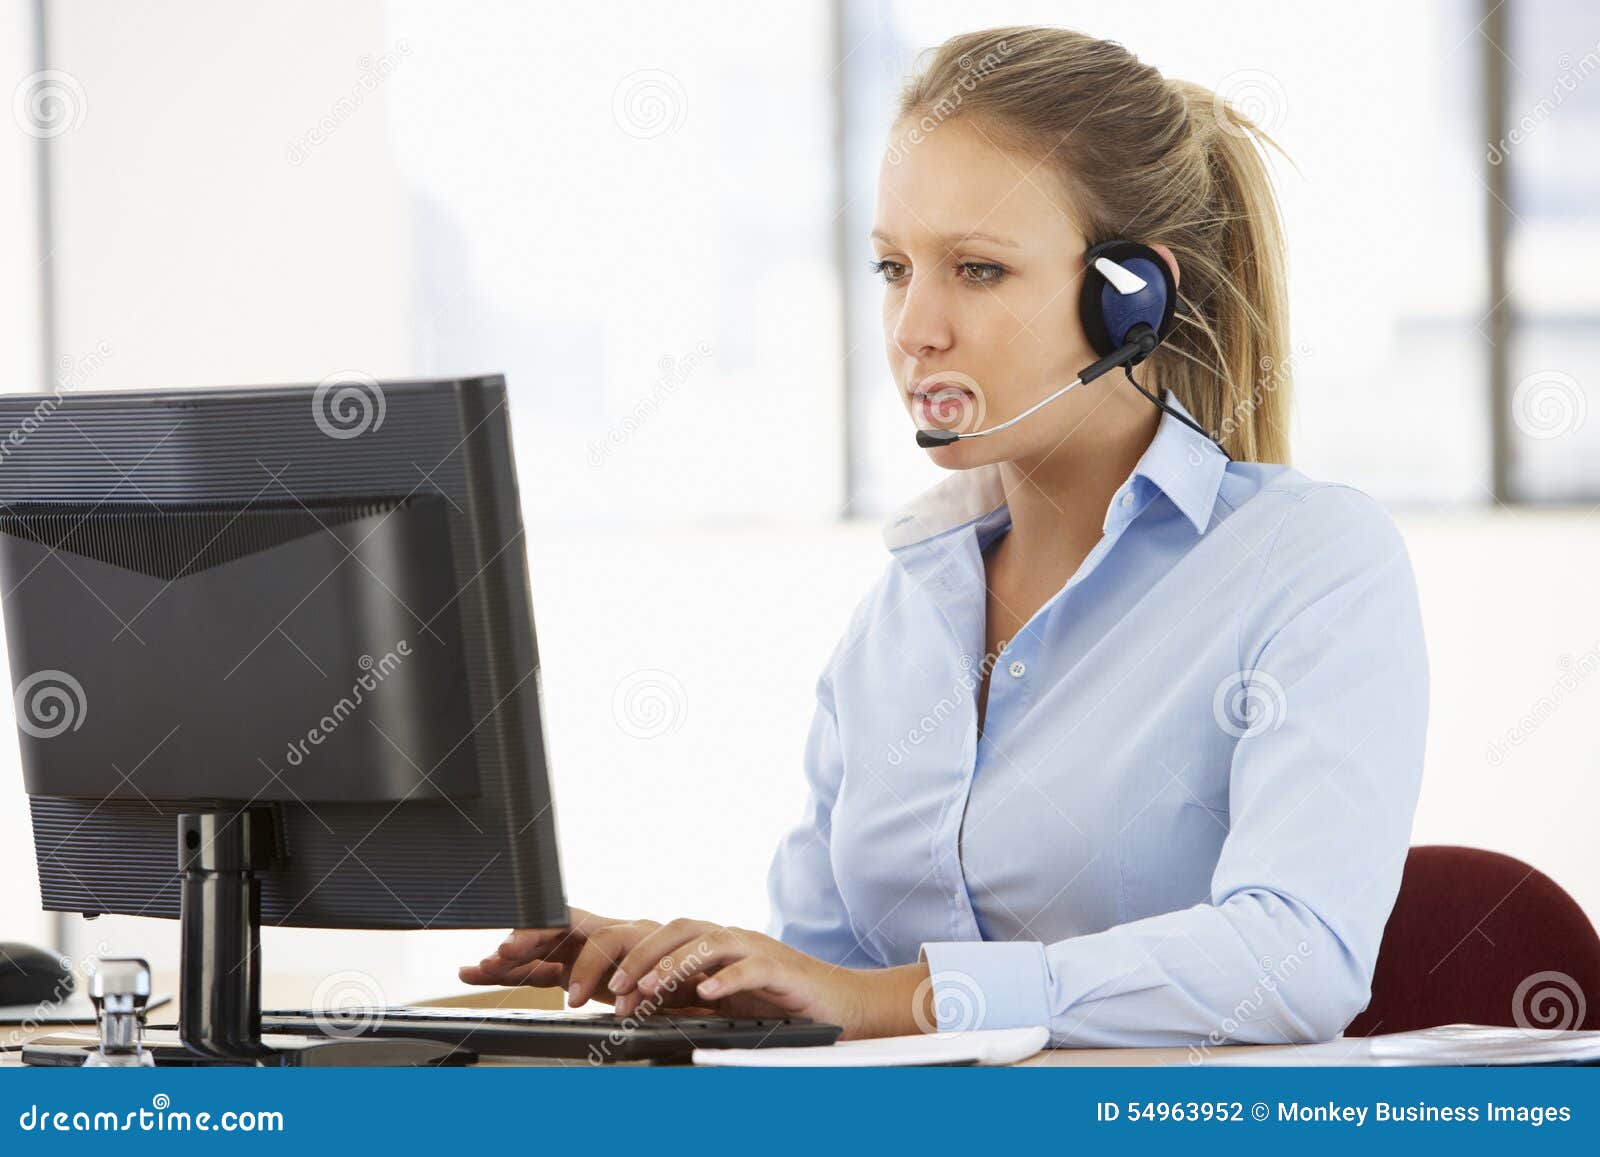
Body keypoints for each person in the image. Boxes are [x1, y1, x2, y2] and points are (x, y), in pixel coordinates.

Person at [460, 26, 1428, 1047]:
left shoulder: (1307, 561)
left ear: (1129, 299)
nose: (913, 328)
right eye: (893, 267)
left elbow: (1295, 957)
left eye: (976, 269)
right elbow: (827, 976)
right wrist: (704, 976)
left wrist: (904, 999)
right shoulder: (897, 620)